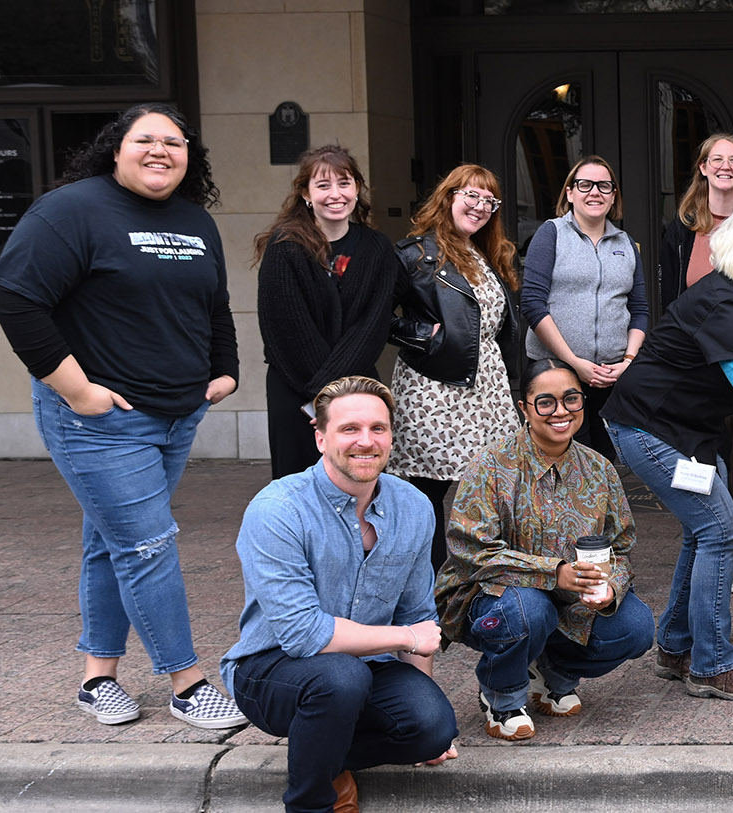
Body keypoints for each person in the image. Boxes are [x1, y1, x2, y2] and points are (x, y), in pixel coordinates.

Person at [0, 102, 249, 731]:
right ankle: (187, 684)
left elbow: (215, 303)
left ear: (190, 155)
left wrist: (224, 370)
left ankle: (96, 678)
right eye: (146, 139)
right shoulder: (72, 210)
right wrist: (78, 391)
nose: (161, 150)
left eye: (175, 142)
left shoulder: (194, 221)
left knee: (114, 542)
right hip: (100, 421)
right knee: (148, 546)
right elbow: (15, 297)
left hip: (177, 414)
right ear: (115, 147)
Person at [601, 196, 733, 703]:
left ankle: (676, 648)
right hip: (650, 427)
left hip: (690, 431)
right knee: (720, 528)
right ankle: (712, 665)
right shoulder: (727, 301)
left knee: (704, 532)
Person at [224, 377, 459, 813]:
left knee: (433, 728)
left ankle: (322, 750)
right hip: (271, 669)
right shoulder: (278, 508)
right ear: (320, 437)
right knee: (339, 679)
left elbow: (417, 614)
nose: (365, 442)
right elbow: (303, 635)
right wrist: (406, 638)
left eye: (378, 429)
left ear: (391, 436)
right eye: (349, 429)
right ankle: (311, 801)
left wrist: (421, 703)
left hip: (368, 670)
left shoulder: (415, 506)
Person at [436, 359, 655, 740]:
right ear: (525, 408)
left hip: (570, 603)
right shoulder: (490, 466)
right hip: (489, 597)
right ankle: (501, 695)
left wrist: (608, 590)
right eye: (546, 402)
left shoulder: (599, 469)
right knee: (529, 610)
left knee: (636, 627)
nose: (561, 412)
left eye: (571, 399)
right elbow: (472, 551)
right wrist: (554, 573)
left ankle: (553, 671)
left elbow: (620, 547)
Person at [386, 163, 525, 573]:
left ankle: (478, 576)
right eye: (471, 195)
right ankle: (426, 587)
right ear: (448, 197)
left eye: (489, 200)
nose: (480, 206)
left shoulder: (486, 253)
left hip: (486, 388)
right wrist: (426, 336)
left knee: (489, 485)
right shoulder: (414, 254)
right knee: (429, 489)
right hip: (434, 386)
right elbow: (377, 315)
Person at [254, 145, 399, 479]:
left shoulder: (377, 248)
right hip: (295, 389)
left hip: (358, 388)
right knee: (300, 485)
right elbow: (287, 332)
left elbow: (372, 326)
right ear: (306, 194)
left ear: (357, 189)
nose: (336, 194)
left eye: (344, 183)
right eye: (323, 185)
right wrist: (323, 400)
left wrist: (338, 397)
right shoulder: (284, 247)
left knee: (359, 479)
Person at [520, 156, 648, 463]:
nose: (595, 192)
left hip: (611, 373)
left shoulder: (626, 243)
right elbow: (532, 304)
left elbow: (640, 308)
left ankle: (593, 512)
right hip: (557, 371)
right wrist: (573, 362)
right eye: (585, 184)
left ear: (613, 195)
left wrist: (628, 360)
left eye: (604, 186)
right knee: (560, 453)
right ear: (570, 193)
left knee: (604, 457)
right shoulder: (551, 234)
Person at [657, 133, 733, 314]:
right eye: (717, 159)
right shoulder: (681, 230)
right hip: (691, 338)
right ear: (703, 168)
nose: (725, 166)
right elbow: (669, 298)